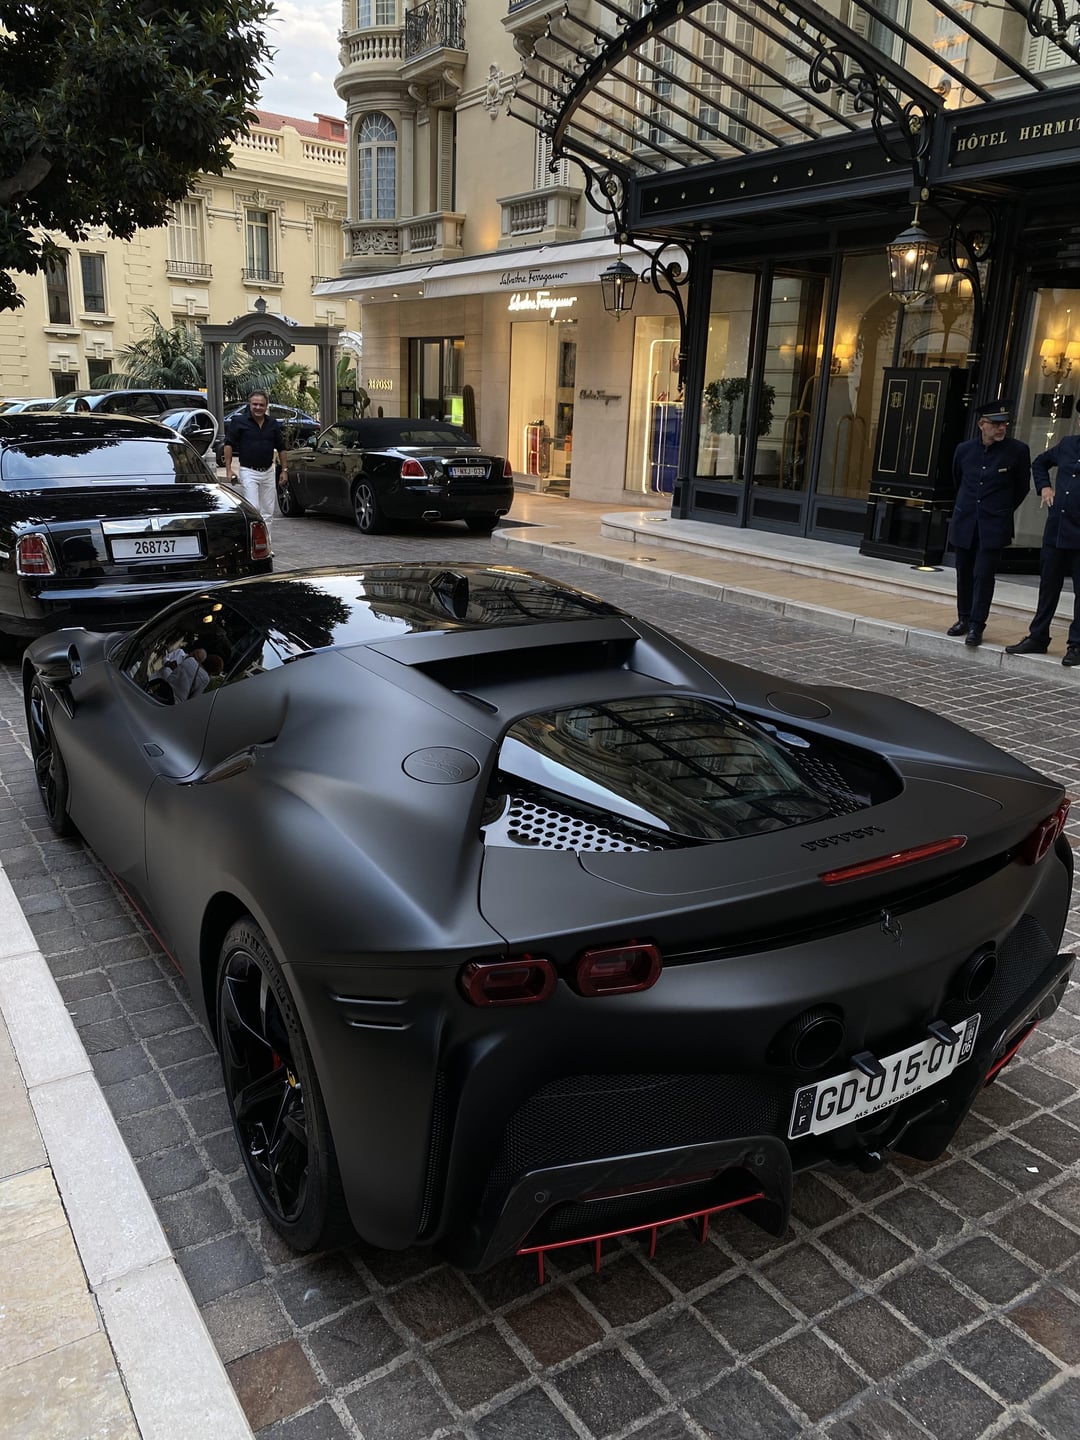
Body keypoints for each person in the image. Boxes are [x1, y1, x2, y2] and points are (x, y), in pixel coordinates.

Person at [946, 400, 1031, 647]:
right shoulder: (964, 450)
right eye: (996, 424)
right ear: (982, 424)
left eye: (1004, 423)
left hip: (994, 524)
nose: (1001, 428)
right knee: (964, 572)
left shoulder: (1017, 451)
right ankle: (963, 617)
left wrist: (1000, 510)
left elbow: (1021, 488)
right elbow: (958, 480)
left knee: (983, 575)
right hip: (966, 521)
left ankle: (976, 625)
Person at [1005, 426, 1080, 667]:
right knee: (1048, 587)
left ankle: (1076, 644)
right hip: (1057, 530)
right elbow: (1039, 463)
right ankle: (1038, 636)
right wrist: (1045, 487)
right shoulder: (1068, 444)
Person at [222, 390, 288, 530]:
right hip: (249, 471)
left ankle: (267, 546)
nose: (258, 408)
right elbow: (228, 444)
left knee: (268, 512)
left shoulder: (273, 424)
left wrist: (284, 470)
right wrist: (228, 469)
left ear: (266, 406)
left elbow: (282, 448)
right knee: (254, 508)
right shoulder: (239, 421)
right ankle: (254, 543)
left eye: (261, 405)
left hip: (268, 471)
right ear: (249, 404)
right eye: (255, 404)